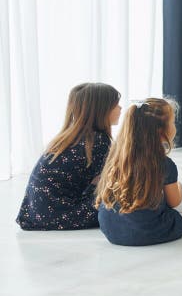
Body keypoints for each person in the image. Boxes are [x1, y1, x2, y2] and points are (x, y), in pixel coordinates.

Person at [96, 98, 182, 246]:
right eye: (173, 122)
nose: (175, 126)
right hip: (148, 231)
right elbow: (177, 203)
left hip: (112, 230)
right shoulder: (163, 164)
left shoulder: (116, 158)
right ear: (160, 131)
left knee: (167, 198)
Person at [17, 83, 121, 230]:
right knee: (125, 196)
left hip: (35, 214)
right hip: (61, 214)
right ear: (101, 110)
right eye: (116, 105)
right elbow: (111, 181)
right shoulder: (98, 141)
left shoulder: (72, 136)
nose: (120, 108)